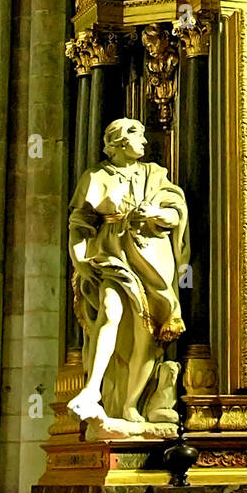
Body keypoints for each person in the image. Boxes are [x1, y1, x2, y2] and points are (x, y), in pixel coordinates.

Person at [68, 117, 189, 423]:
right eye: (139, 137)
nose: (146, 143)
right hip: (112, 255)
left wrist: (156, 212)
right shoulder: (96, 176)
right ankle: (92, 389)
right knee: (110, 311)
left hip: (153, 259)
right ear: (120, 141)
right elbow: (79, 225)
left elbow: (177, 215)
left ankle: (131, 404)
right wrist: (80, 262)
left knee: (146, 336)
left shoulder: (155, 174)